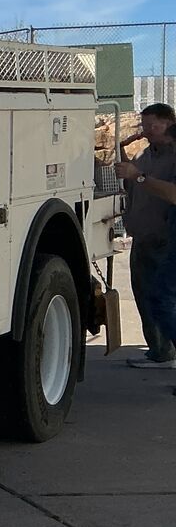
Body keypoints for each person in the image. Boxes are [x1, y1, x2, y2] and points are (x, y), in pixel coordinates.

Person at [114, 102, 176, 366]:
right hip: (142, 238)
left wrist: (138, 176)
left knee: (164, 300)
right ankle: (159, 350)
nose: (147, 130)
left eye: (153, 125)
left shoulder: (172, 158)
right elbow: (134, 184)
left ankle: (166, 350)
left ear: (169, 123)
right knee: (145, 296)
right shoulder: (144, 155)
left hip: (166, 240)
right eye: (144, 125)